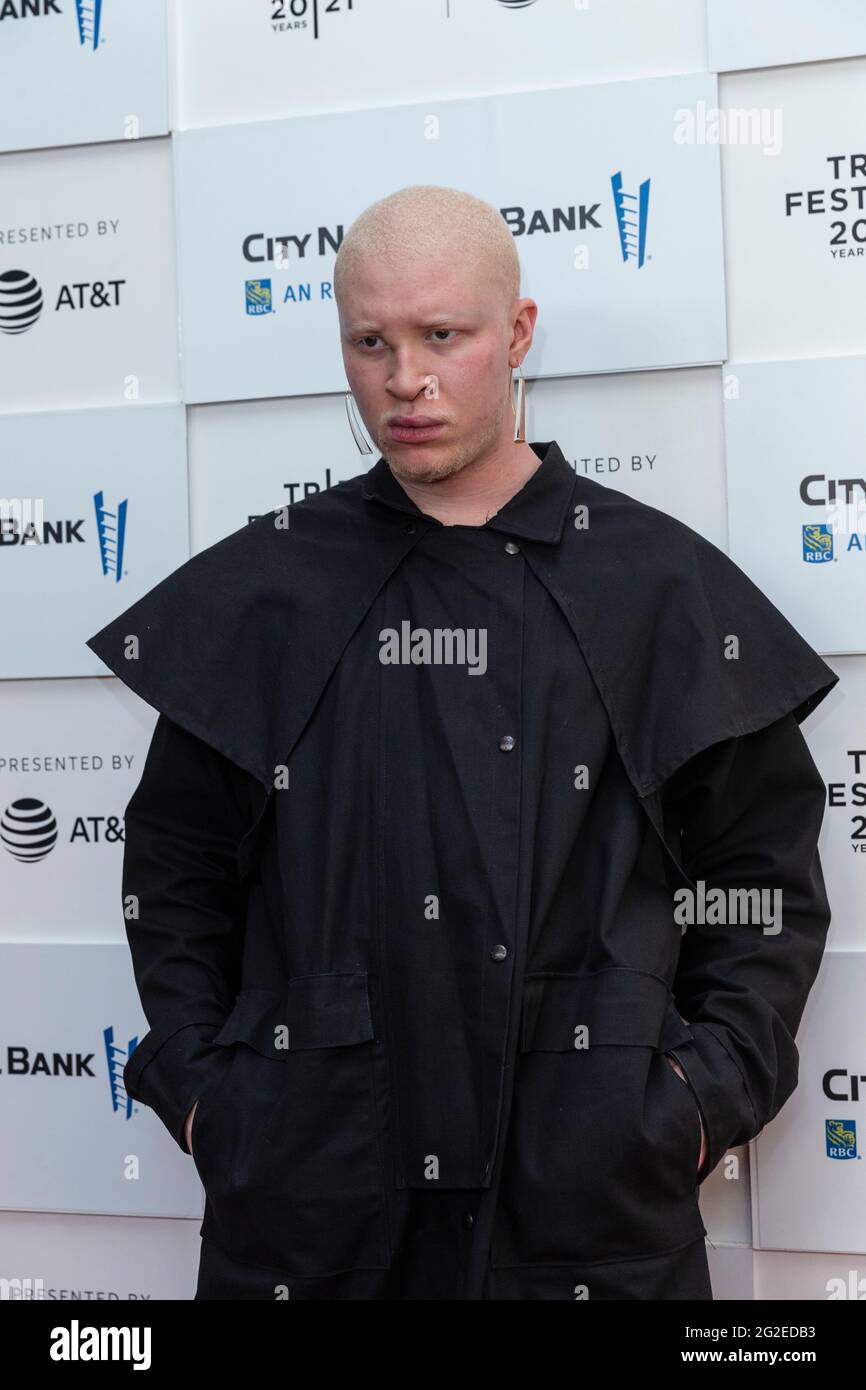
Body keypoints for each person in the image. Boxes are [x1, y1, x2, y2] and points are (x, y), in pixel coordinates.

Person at [87, 184, 837, 1300]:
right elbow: (176, 878)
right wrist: (209, 1099)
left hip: (584, 1215)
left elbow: (759, 886)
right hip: (312, 1209)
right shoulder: (267, 591)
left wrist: (689, 1104)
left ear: (517, 332)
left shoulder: (655, 587)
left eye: (443, 335)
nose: (405, 379)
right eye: (370, 341)